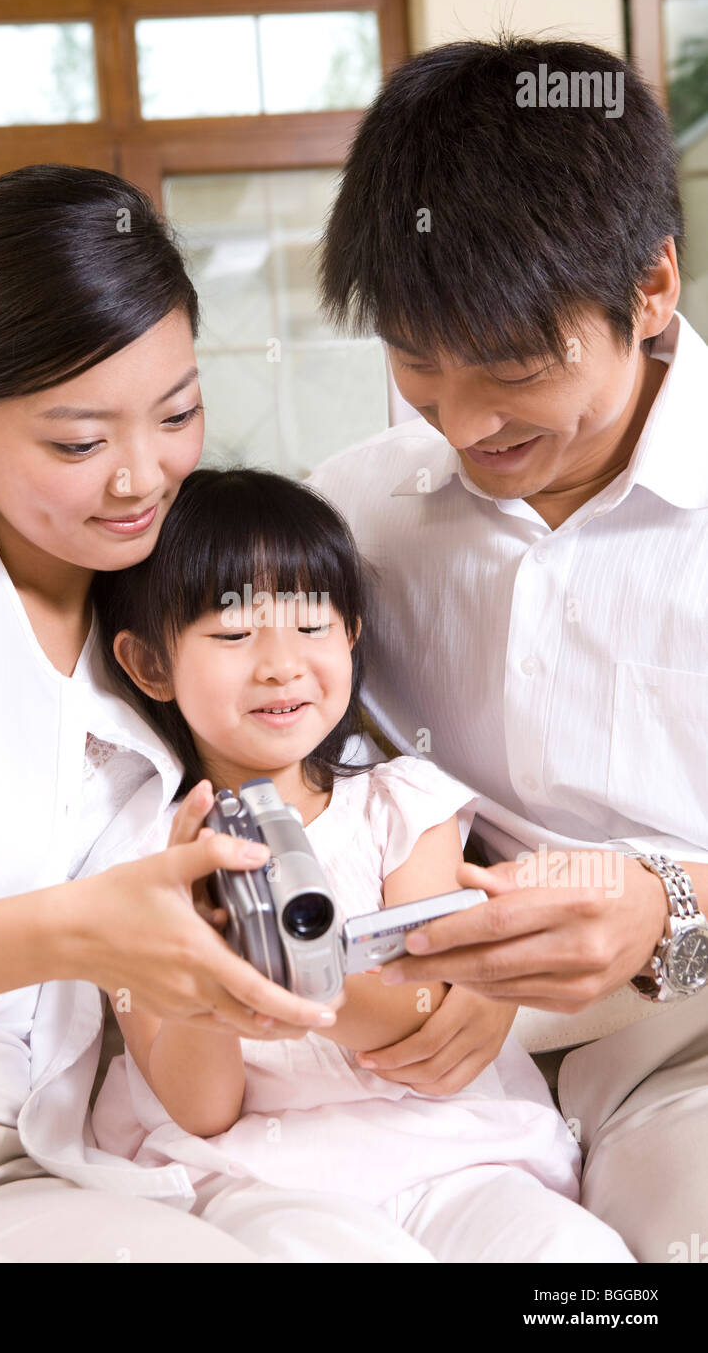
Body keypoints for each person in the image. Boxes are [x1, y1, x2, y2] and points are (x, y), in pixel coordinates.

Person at [0, 162, 404, 1265]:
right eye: (76, 441)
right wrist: (76, 929)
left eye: (178, 412)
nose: (141, 478)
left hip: (15, 1163)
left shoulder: (163, 644)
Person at [306, 34, 708, 1263]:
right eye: (418, 367)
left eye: (513, 371)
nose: (467, 423)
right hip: (435, 1069)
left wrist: (668, 912)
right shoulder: (355, 514)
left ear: (648, 290)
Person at [87, 465, 635, 1263]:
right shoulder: (140, 860)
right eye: (235, 636)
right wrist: (205, 975)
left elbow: (427, 1024)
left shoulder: (403, 805)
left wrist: (283, 970)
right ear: (150, 665)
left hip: (452, 1149)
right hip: (265, 1177)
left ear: (350, 634)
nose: (281, 665)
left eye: (313, 628)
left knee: (574, 1263)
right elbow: (203, 1111)